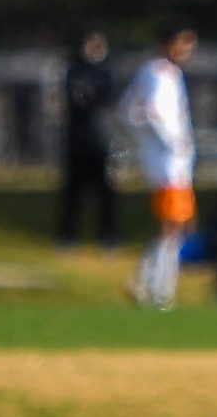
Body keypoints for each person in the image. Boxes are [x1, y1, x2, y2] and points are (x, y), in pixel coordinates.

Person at [121, 23, 197, 310]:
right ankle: (157, 287)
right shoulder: (158, 73)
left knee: (175, 227)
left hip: (174, 164)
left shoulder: (166, 73)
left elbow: (128, 108)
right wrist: (168, 143)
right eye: (183, 43)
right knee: (171, 226)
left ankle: (150, 281)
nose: (188, 51)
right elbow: (148, 112)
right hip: (168, 165)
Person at [58, 29, 121, 249]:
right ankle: (68, 237)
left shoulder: (106, 72)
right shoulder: (73, 70)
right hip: (77, 141)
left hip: (101, 141)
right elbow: (74, 100)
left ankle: (108, 237)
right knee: (72, 192)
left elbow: (104, 99)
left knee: (106, 193)